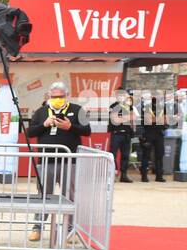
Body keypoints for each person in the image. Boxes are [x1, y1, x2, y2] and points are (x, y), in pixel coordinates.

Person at [26, 82, 91, 241]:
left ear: (66, 96)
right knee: (44, 195)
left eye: (60, 97)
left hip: (69, 160)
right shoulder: (41, 111)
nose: (57, 99)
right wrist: (44, 124)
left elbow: (87, 130)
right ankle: (38, 226)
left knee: (69, 195)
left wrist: (71, 127)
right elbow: (30, 132)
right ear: (48, 96)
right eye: (54, 97)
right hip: (46, 160)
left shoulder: (77, 109)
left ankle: (70, 229)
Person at [107, 89, 136, 183]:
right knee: (113, 155)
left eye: (123, 94)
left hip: (127, 134)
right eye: (119, 94)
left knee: (125, 156)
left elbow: (134, 118)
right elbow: (115, 120)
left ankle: (124, 175)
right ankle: (112, 175)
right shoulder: (113, 106)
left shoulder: (129, 106)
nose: (121, 96)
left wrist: (122, 118)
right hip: (116, 134)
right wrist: (126, 118)